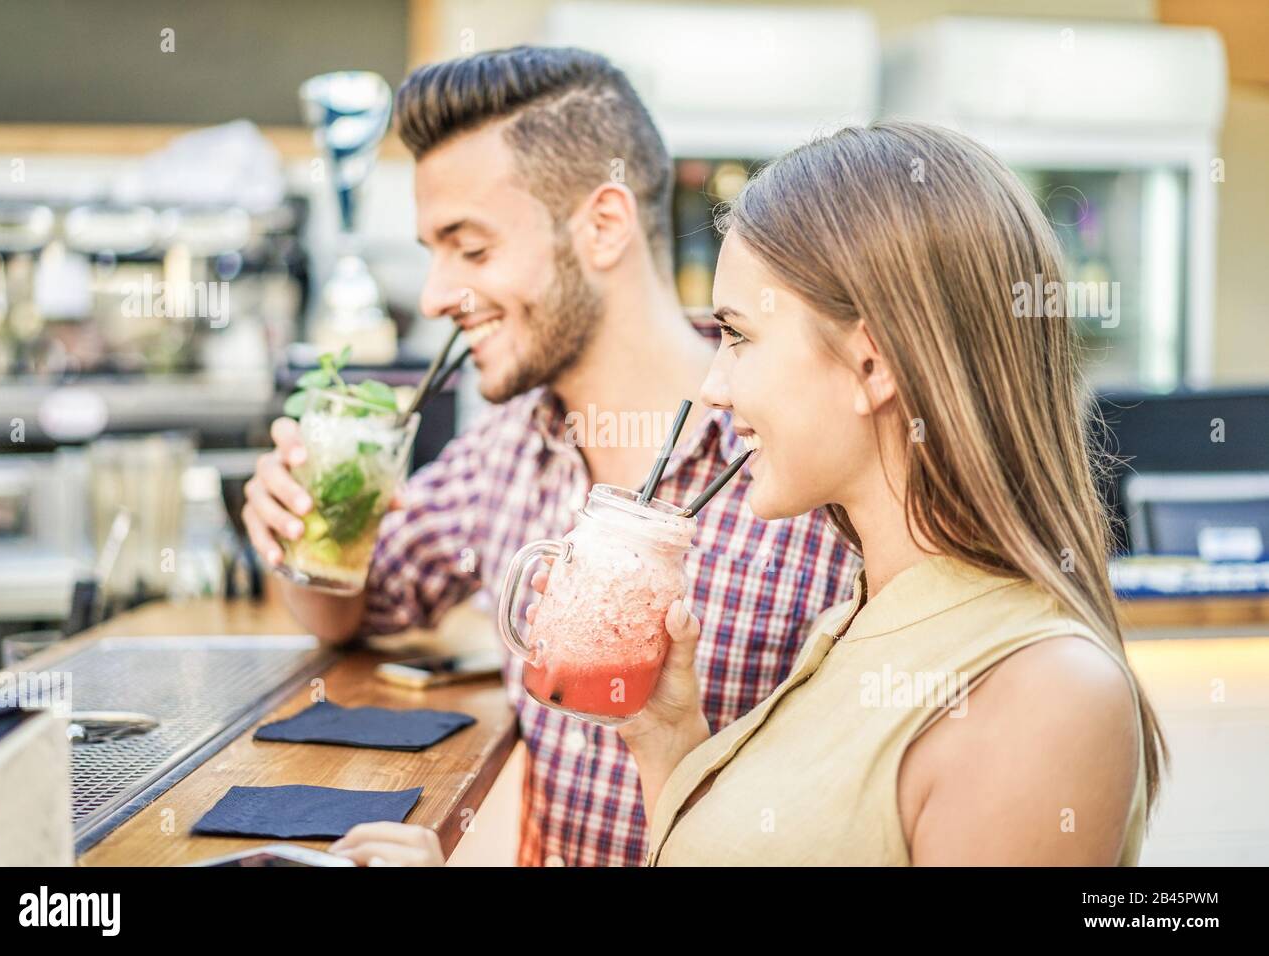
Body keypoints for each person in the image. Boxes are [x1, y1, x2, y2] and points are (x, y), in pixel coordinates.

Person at [332, 121, 1166, 867]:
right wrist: (667, 741)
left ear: (872, 364)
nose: (715, 386)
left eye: (737, 336)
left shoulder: (1044, 696)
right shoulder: (865, 614)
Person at [243, 46, 859, 867]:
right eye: (432, 251)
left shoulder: (801, 445)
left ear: (601, 225)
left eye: (470, 248)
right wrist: (305, 529)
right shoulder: (511, 444)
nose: (434, 296)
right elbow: (362, 602)